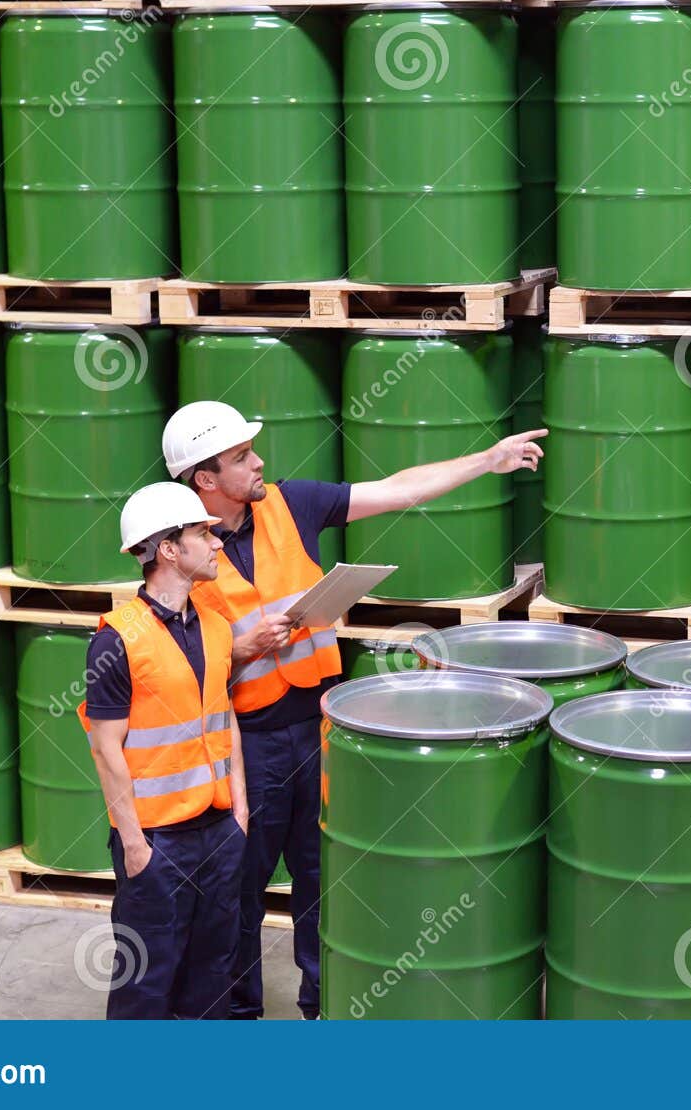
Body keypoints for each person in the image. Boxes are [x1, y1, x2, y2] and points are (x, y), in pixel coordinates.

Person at [161, 400, 545, 1020]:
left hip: (317, 728)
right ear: (206, 480)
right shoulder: (178, 544)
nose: (259, 462)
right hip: (242, 741)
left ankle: (327, 1004)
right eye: (241, 457)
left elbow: (395, 490)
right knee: (237, 888)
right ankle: (237, 1014)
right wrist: (234, 648)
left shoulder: (292, 503)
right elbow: (162, 654)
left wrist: (488, 460)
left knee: (324, 876)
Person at [78, 481, 249, 1020]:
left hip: (219, 829)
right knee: (146, 982)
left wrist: (240, 812)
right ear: (169, 550)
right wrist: (133, 844)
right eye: (204, 534)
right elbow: (107, 751)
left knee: (213, 972)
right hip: (156, 842)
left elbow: (227, 721)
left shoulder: (217, 627)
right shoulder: (117, 639)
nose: (218, 543)